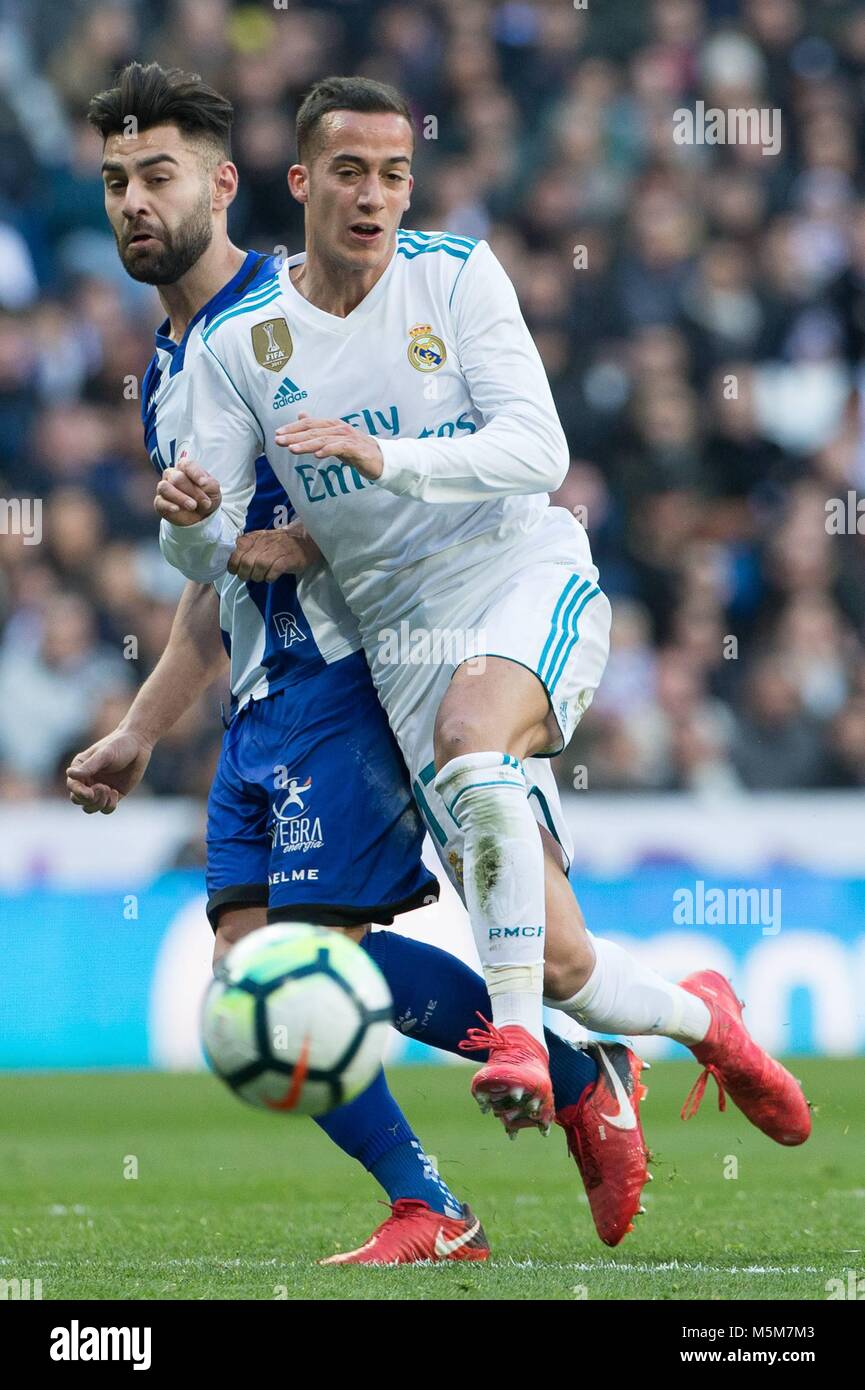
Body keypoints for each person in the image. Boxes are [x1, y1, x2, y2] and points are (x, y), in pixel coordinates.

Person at [157, 70, 811, 1155]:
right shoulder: (242, 345)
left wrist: (385, 456)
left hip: (516, 575)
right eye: (351, 174)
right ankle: (708, 1021)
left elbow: (537, 451)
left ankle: (515, 1046)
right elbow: (206, 539)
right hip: (400, 644)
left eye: (395, 175)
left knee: (473, 742)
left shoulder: (456, 276)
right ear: (301, 181)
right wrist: (186, 522)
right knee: (564, 963)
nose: (374, 197)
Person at [71, 61, 650, 1263]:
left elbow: (389, 506)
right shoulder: (177, 367)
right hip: (259, 693)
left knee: (305, 958)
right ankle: (465, 1160)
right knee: (250, 967)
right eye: (116, 179)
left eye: (157, 177)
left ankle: (533, 1076)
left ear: (223, 186)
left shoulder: (284, 325)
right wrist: (140, 726)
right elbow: (213, 574)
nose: (133, 202)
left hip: (348, 674)